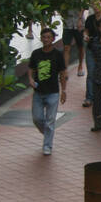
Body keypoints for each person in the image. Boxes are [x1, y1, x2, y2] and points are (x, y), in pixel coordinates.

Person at [23, 28, 68, 156]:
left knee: (50, 120)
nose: (46, 39)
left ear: (53, 39)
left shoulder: (58, 55)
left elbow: (63, 73)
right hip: (38, 92)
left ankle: (47, 145)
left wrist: (64, 90)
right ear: (41, 38)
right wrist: (31, 79)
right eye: (44, 37)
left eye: (49, 37)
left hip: (53, 92)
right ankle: (48, 133)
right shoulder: (36, 53)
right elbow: (31, 69)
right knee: (37, 118)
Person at [62, 6, 84, 79]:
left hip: (79, 24)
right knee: (66, 47)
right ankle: (65, 70)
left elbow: (83, 5)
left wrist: (80, 19)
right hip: (67, 24)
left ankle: (80, 66)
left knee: (81, 47)